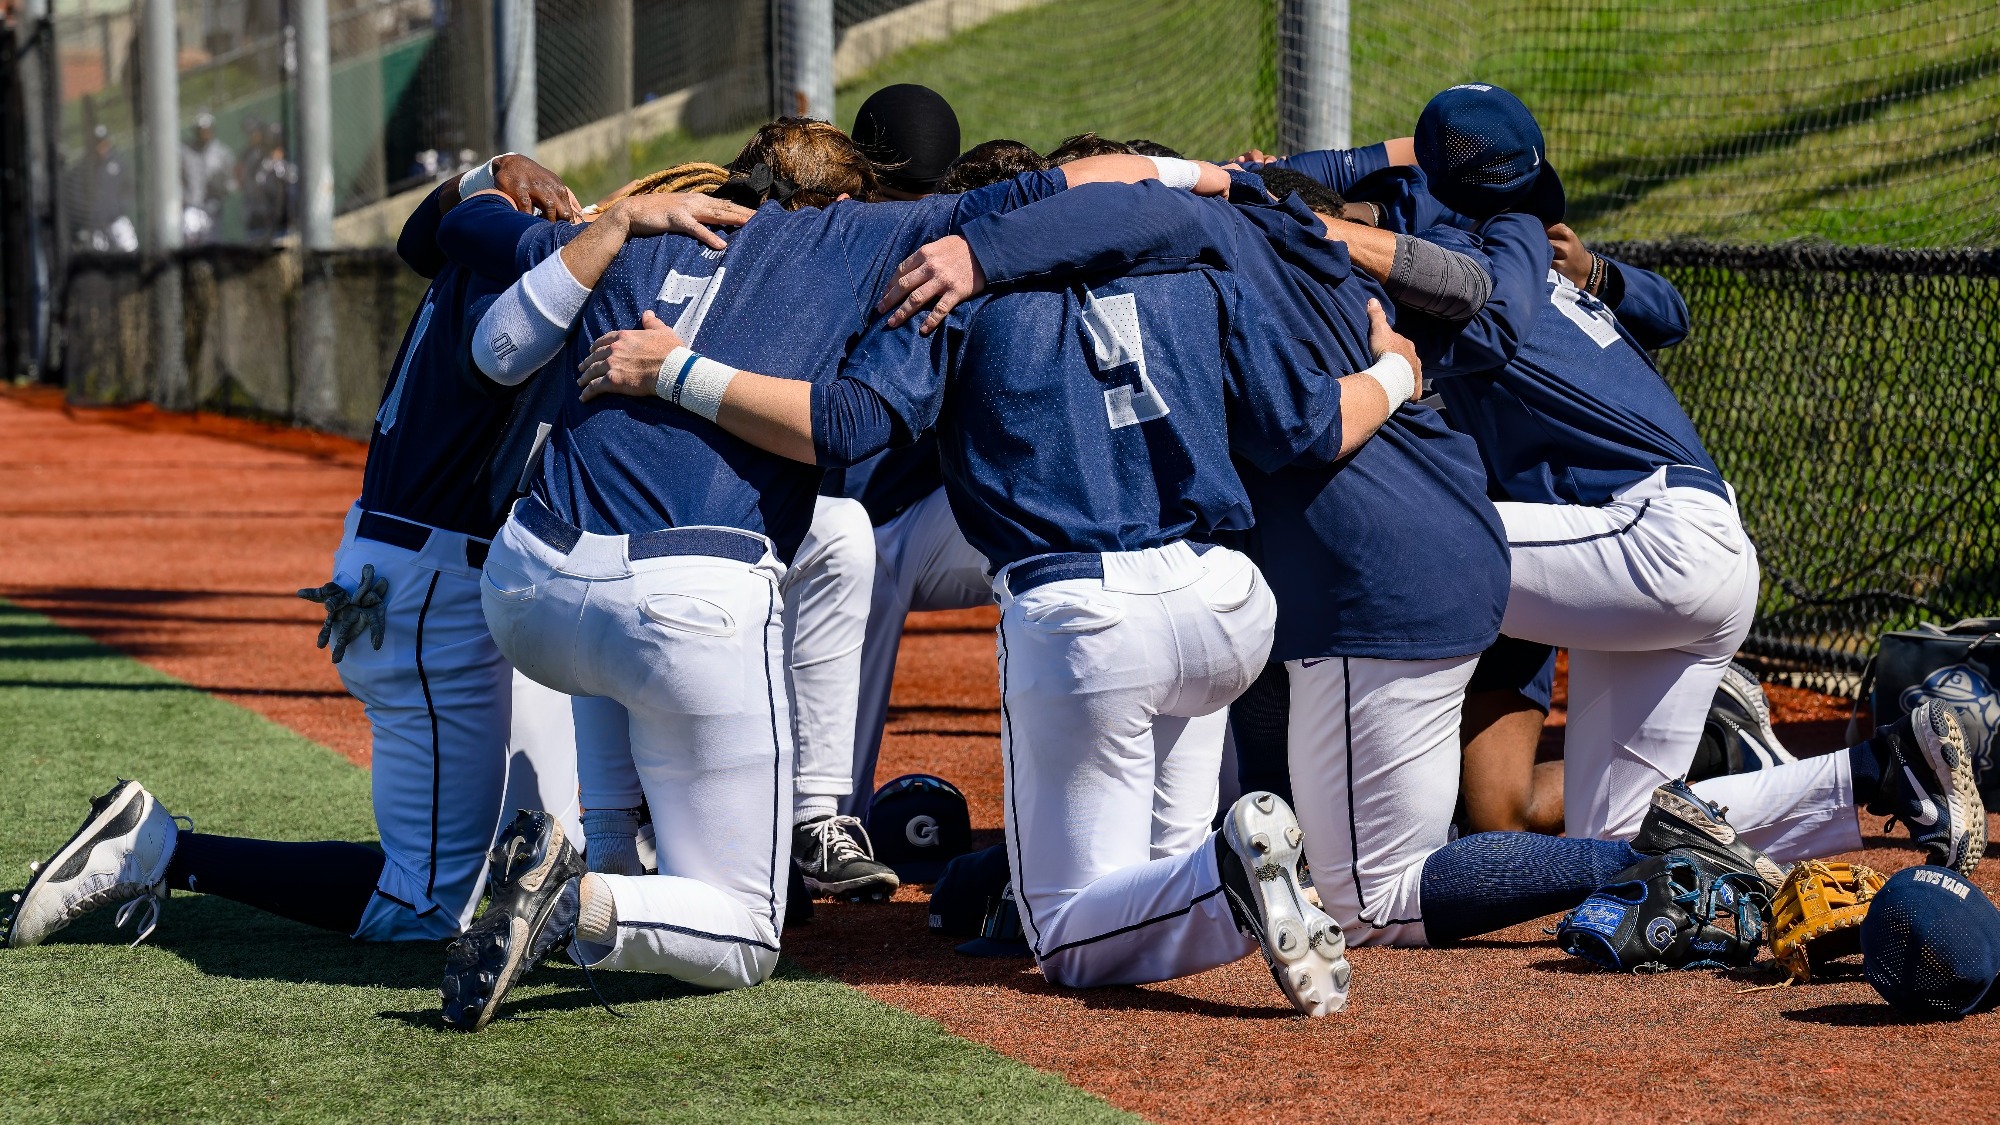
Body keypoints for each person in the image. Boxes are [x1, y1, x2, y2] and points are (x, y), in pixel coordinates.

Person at [570, 141, 1398, 1014]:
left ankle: (1230, 874)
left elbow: (848, 423)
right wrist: (1397, 370)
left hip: (1086, 616)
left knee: (1070, 940)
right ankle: (1229, 878)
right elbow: (1307, 429)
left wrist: (677, 372)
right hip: (1223, 601)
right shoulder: (1194, 266)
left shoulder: (945, 288)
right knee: (1159, 879)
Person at [428, 118, 1216, 1029]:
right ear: (843, 202)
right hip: (684, 598)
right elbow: (1080, 187)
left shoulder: (637, 226)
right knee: (744, 933)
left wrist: (564, 205)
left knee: (643, 609)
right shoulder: (854, 233)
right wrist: (1208, 173)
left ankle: (608, 842)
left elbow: (483, 325)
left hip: (528, 579)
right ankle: (588, 895)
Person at [2, 154, 737, 953]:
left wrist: (485, 173)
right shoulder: (537, 263)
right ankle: (162, 851)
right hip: (428, 588)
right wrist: (603, 225)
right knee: (424, 909)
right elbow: (499, 333)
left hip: (428, 570)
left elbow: (432, 228)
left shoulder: (509, 239)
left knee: (516, 855)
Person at [182, 112, 236, 244]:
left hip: (213, 207)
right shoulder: (186, 152)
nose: (204, 132)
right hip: (192, 205)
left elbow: (232, 181)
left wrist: (222, 186)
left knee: (211, 242)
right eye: (201, 130)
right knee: (190, 238)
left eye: (207, 129)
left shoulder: (222, 153)